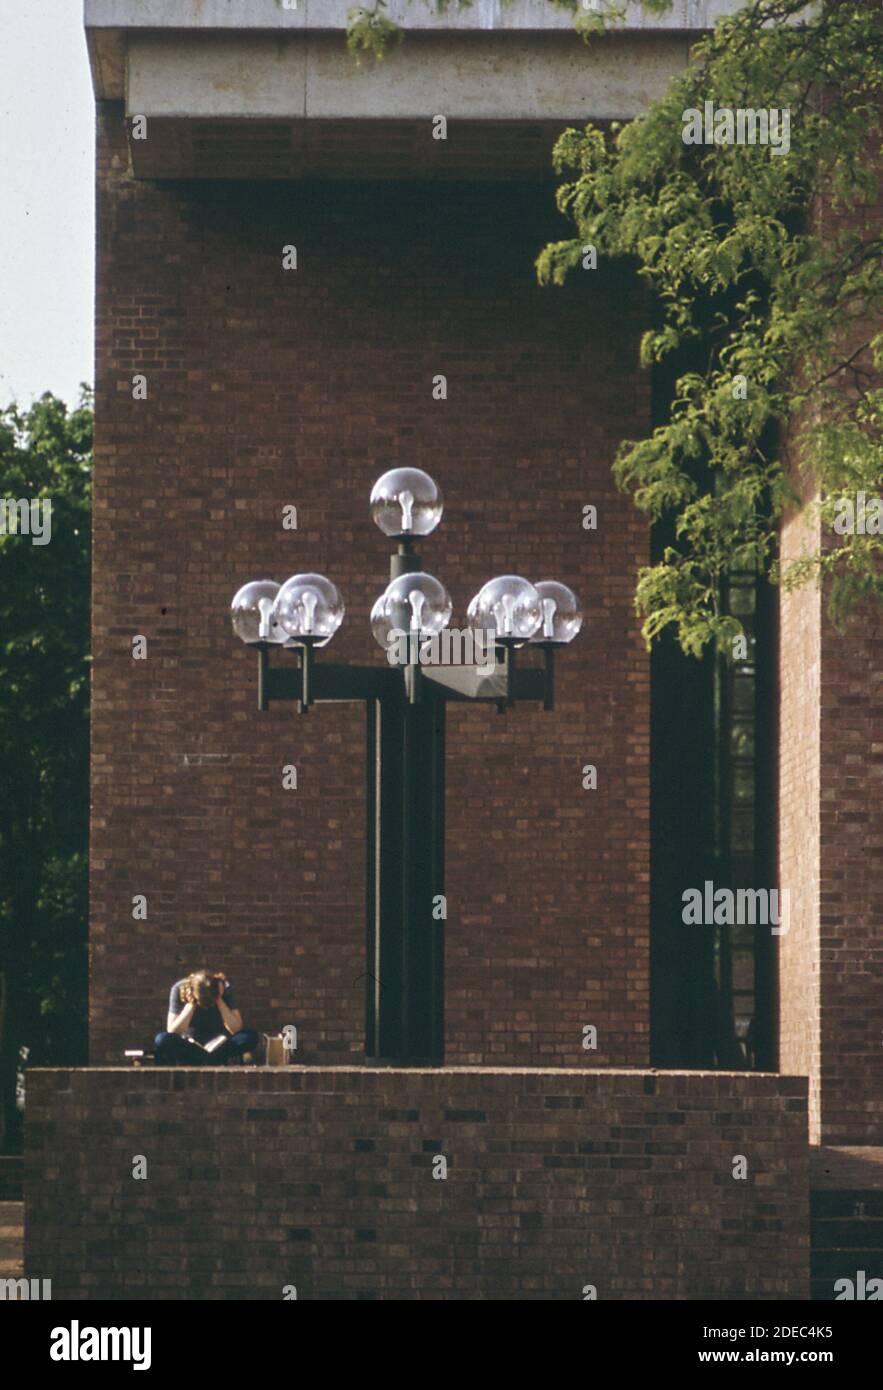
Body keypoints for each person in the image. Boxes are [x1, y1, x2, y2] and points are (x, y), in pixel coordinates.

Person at [154, 970, 259, 1064]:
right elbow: (172, 1030)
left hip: (220, 1045)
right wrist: (192, 1003)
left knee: (250, 1036)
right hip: (190, 1045)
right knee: (162, 1039)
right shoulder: (178, 988)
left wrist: (219, 1000)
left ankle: (208, 1059)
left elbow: (236, 1028)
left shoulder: (225, 988)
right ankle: (209, 1060)